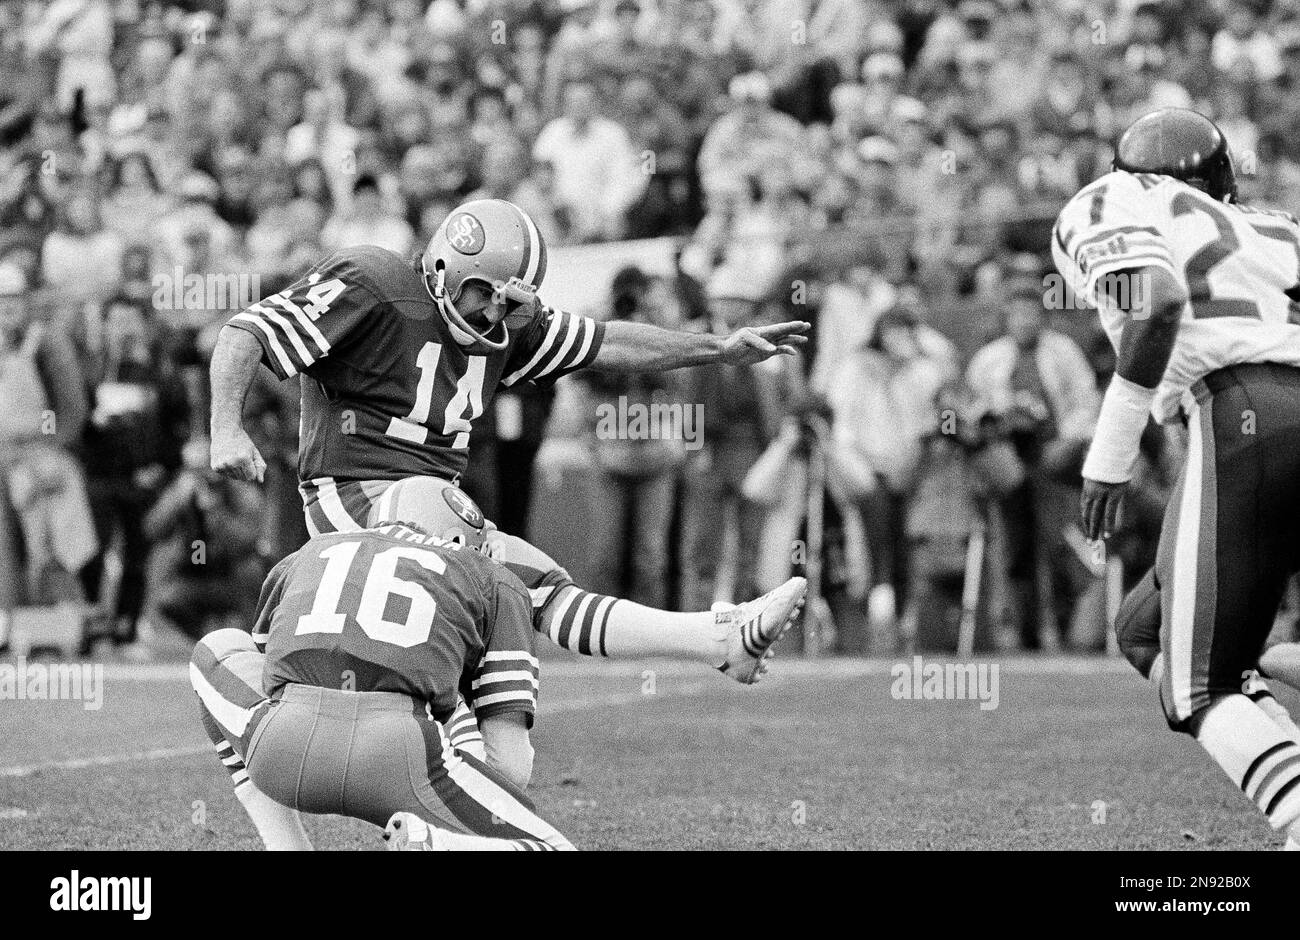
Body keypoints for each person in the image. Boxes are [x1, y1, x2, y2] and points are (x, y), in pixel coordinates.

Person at [206, 198, 808, 837]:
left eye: (509, 301)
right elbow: (247, 330)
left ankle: (716, 643)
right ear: (442, 265)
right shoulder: (374, 283)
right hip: (351, 493)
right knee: (497, 578)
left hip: (437, 504)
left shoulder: (507, 327)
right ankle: (708, 643)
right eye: (483, 294)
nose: (494, 312)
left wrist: (716, 349)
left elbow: (605, 341)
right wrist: (226, 428)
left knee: (533, 584)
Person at [1052, 107, 1300, 849]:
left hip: (1242, 414)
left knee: (1199, 685)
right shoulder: (1278, 225)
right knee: (1144, 629)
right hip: (1268, 413)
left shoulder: (1114, 199)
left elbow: (1155, 302)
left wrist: (1110, 453)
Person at [188, 507, 572, 851]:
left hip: (281, 750)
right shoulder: (494, 578)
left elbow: (267, 671)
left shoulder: (306, 553)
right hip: (400, 759)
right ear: (458, 539)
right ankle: (437, 843)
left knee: (218, 646)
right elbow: (510, 763)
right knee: (552, 848)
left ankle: (286, 845)